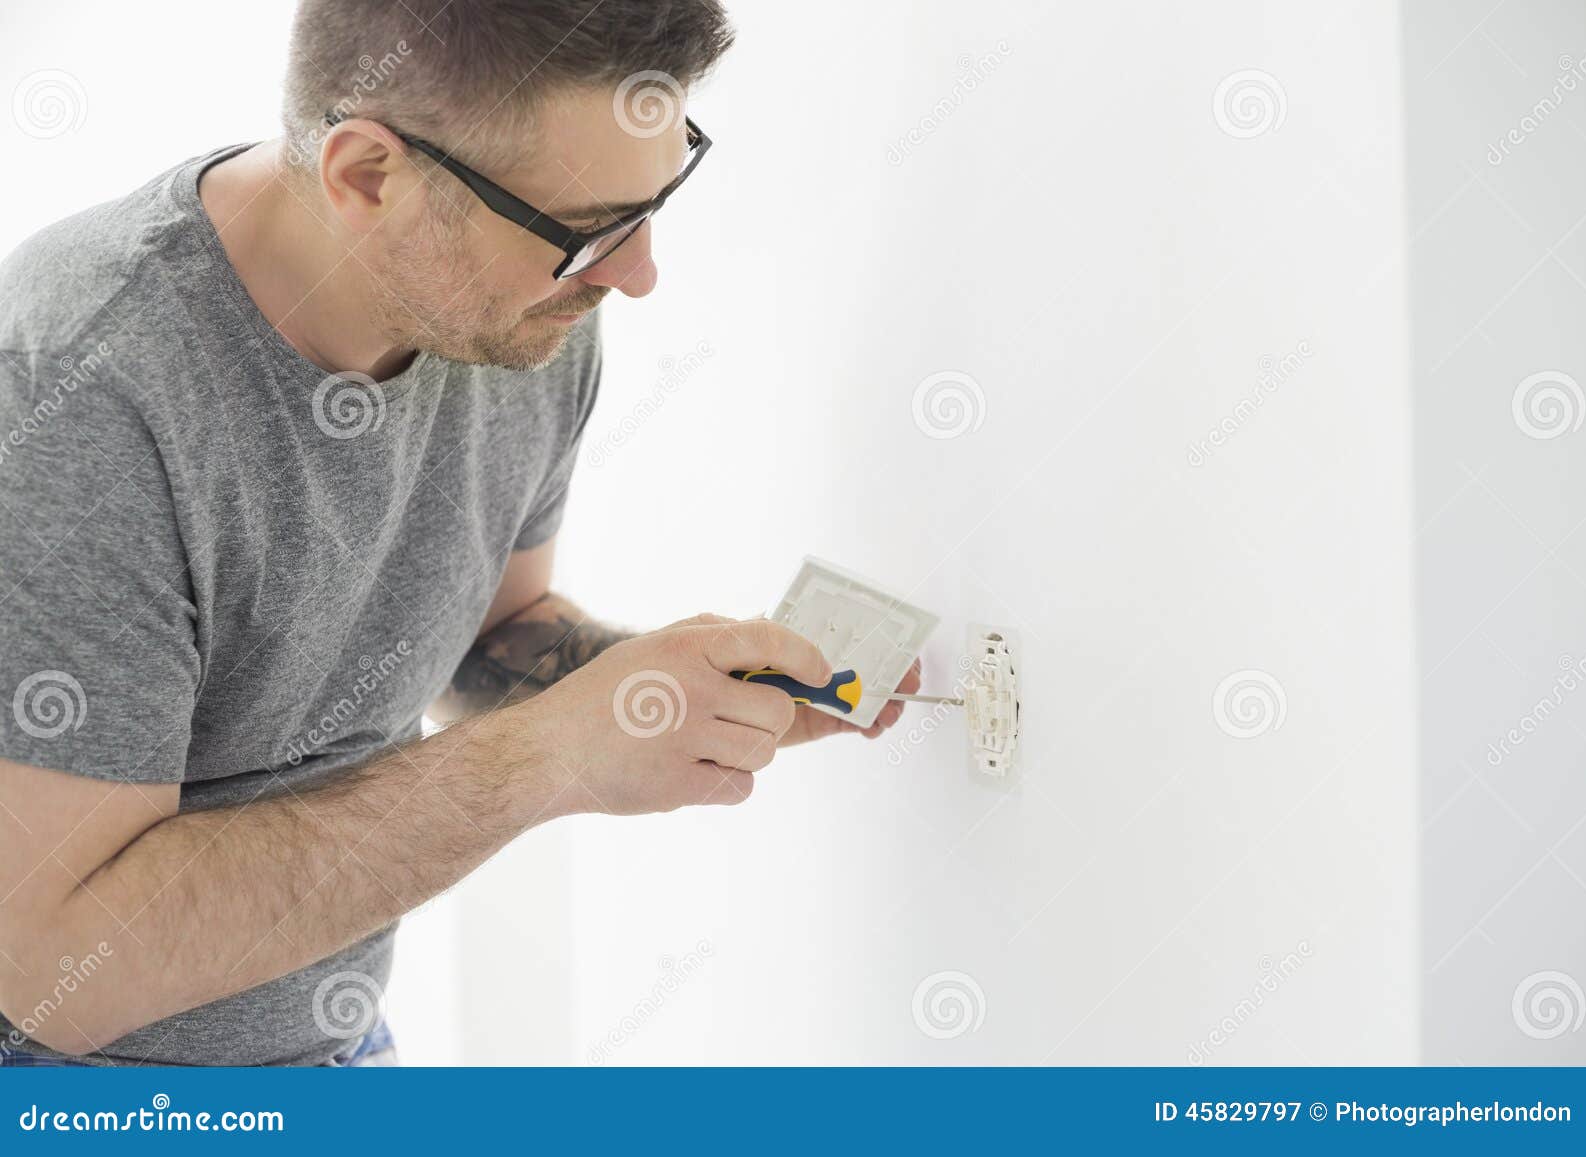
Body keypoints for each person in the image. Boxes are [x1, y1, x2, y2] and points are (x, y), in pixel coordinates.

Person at [0, 0, 918, 1067]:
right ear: (367, 176)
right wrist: (547, 757)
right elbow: (54, 968)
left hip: (337, 1050)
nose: (635, 273)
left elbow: (494, 632)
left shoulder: (529, 315)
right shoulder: (79, 387)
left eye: (654, 201)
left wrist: (664, 690)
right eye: (588, 229)